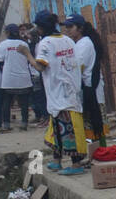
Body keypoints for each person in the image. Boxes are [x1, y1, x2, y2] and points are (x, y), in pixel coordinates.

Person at [27, 11, 86, 173]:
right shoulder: (67, 40)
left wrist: (26, 54)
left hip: (59, 92)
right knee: (57, 130)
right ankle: (56, 160)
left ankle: (76, 165)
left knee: (67, 131)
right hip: (70, 89)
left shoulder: (45, 44)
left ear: (40, 28)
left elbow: (40, 66)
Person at [62, 13, 108, 148]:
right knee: (92, 126)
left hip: (91, 90)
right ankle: (98, 153)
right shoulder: (79, 44)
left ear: (80, 28)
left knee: (96, 125)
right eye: (66, 27)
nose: (67, 30)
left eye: (71, 27)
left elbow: (78, 67)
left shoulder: (84, 44)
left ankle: (101, 153)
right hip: (88, 91)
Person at [0, 25, 33, 132]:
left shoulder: (3, 44)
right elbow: (28, 58)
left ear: (7, 33)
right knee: (24, 103)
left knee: (7, 103)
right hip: (23, 78)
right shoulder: (24, 44)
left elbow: (0, 59)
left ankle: (7, 125)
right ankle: (24, 123)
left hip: (8, 79)